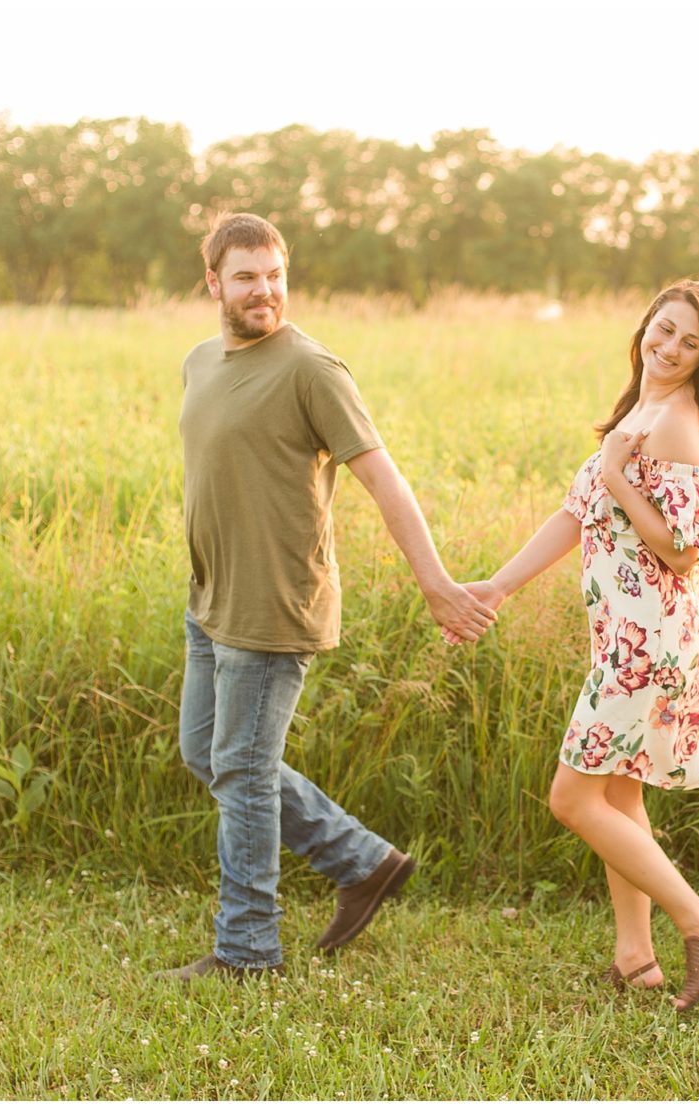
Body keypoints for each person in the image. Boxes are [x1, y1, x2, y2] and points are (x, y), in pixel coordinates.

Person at [156, 213, 496, 982]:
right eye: (245, 276)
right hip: (210, 596)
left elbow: (384, 479)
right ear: (213, 281)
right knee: (212, 752)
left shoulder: (312, 368)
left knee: (242, 769)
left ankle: (247, 950)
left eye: (275, 274)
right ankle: (361, 860)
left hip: (274, 603)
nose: (263, 290)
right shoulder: (199, 361)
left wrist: (436, 583)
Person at [453, 280, 699, 1010]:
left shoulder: (679, 425)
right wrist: (498, 586)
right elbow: (575, 515)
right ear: (644, 325)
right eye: (665, 329)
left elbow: (682, 551)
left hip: (648, 643)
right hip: (624, 636)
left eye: (691, 342)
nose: (671, 347)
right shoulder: (638, 412)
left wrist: (620, 473)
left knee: (573, 797)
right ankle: (635, 956)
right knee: (618, 793)